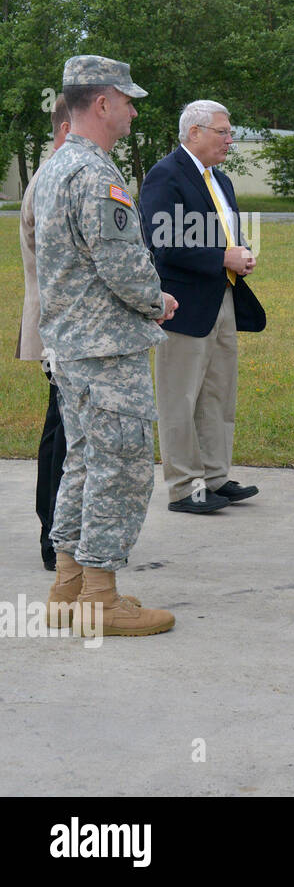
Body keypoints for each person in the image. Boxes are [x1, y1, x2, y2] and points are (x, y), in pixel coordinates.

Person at [32, 55, 179, 636]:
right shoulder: (96, 175)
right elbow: (120, 264)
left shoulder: (53, 168)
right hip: (105, 348)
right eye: (127, 100)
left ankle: (68, 587)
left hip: (69, 345)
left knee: (82, 461)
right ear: (100, 103)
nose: (132, 110)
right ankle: (101, 597)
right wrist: (156, 299)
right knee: (121, 467)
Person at [141, 99, 266, 514]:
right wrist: (221, 258)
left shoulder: (220, 178)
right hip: (183, 306)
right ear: (194, 133)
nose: (230, 140)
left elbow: (223, 229)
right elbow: (163, 243)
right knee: (180, 397)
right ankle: (184, 488)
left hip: (223, 298)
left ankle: (215, 478)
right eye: (223, 132)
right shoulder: (165, 176)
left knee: (217, 394)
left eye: (230, 133)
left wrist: (240, 251)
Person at [18, 93, 71, 570]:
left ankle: (60, 532)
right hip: (59, 328)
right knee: (61, 433)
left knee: (63, 430)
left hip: (61, 325)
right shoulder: (53, 179)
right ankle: (54, 536)